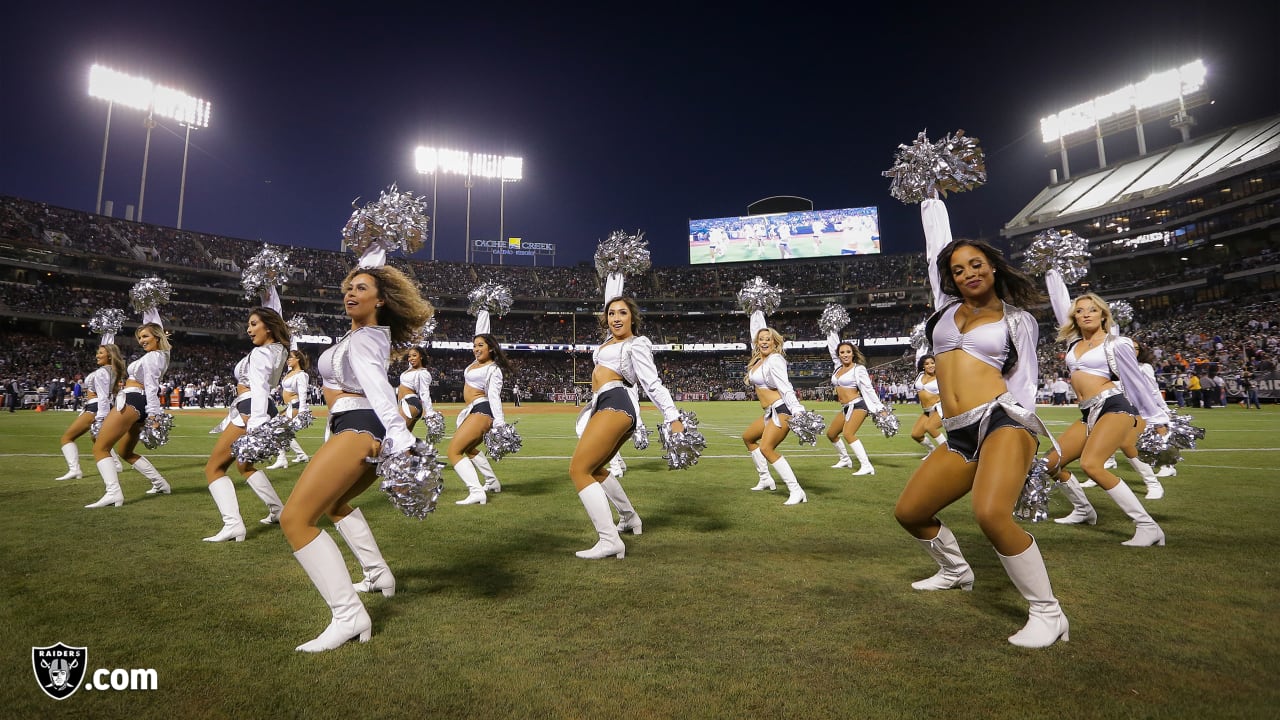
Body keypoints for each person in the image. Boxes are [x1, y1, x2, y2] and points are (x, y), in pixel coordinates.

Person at [893, 231, 1066, 648]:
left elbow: (1024, 380)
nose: (968, 272)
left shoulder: (1018, 320)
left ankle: (1048, 612)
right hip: (957, 431)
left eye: (975, 264)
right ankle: (956, 571)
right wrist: (929, 198)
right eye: (957, 269)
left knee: (990, 514)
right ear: (949, 280)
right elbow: (935, 239)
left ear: (991, 267)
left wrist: (1028, 434)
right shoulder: (941, 315)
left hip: (1002, 418)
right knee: (911, 512)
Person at [279, 263, 434, 652]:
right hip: (352, 426)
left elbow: (379, 389)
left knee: (296, 519)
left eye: (361, 288)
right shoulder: (360, 335)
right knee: (335, 505)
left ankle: (348, 616)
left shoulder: (367, 338)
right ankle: (378, 575)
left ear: (379, 300)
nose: (350, 292)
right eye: (349, 286)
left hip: (362, 428)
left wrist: (399, 435)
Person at [1040, 283, 1167, 546]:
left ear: (1103, 315)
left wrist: (1158, 420)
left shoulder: (1117, 343)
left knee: (1092, 465)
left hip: (1114, 406)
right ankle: (1084, 510)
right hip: (1088, 412)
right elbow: (1059, 299)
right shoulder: (1074, 344)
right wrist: (1052, 271)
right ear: (1074, 316)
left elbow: (1138, 382)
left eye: (1092, 310)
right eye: (1080, 311)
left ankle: (1147, 526)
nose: (1086, 314)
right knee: (1050, 464)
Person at [569, 296, 684, 559]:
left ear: (633, 317)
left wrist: (672, 416)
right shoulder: (609, 342)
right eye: (611, 314)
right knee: (595, 469)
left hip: (616, 403)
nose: (616, 318)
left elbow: (652, 384)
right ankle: (629, 518)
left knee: (578, 470)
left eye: (622, 313)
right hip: (604, 404)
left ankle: (610, 540)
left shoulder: (637, 344)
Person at [201, 307, 291, 542]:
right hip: (262, 407)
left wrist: (256, 425)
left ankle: (233, 525)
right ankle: (278, 511)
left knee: (214, 468)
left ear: (268, 326)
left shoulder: (261, 352)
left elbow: (260, 387)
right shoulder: (279, 349)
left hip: (252, 409)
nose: (249, 330)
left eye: (253, 324)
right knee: (244, 466)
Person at [86, 323, 174, 507]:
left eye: (145, 336)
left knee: (100, 447)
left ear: (157, 337)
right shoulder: (159, 356)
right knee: (125, 452)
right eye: (140, 338)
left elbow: (151, 387)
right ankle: (161, 484)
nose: (141, 341)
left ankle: (113, 493)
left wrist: (153, 416)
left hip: (133, 400)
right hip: (138, 403)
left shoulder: (152, 357)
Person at [743, 326, 809, 505]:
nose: (764, 341)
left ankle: (796, 490)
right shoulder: (758, 360)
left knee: (766, 448)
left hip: (782, 410)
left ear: (775, 342)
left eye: (768, 339)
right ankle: (765, 478)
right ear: (757, 342)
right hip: (769, 412)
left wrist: (797, 409)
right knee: (748, 438)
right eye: (761, 339)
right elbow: (756, 325)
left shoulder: (775, 359)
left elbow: (785, 386)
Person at [447, 334, 513, 504]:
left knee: (454, 451)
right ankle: (492, 482)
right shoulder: (475, 364)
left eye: (480, 345)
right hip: (472, 410)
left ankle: (476, 492)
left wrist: (499, 423)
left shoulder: (493, 369)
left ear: (490, 347)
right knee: (469, 449)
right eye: (474, 345)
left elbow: (494, 396)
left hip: (482, 410)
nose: (476, 349)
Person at [54, 343, 126, 480]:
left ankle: (74, 470)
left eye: (100, 353)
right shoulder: (112, 370)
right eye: (97, 352)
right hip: (96, 406)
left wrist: (101, 417)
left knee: (67, 438)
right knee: (97, 439)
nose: (97, 355)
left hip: (95, 406)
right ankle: (116, 465)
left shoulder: (102, 372)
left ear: (109, 356)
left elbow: (103, 396)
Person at [824, 326, 885, 475]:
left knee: (848, 433)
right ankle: (845, 459)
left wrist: (880, 408)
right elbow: (833, 346)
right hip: (846, 407)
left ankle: (866, 465)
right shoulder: (838, 368)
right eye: (842, 352)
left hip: (858, 405)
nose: (845, 355)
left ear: (853, 354)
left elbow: (869, 390)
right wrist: (831, 329)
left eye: (848, 352)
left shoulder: (859, 369)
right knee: (831, 434)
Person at [267, 349, 313, 469]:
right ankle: (301, 455)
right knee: (283, 431)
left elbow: (303, 393)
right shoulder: (289, 373)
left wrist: (302, 410)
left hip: (296, 405)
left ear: (298, 359)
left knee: (277, 429)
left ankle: (282, 459)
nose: (288, 360)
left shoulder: (302, 375)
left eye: (290, 357)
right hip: (289, 406)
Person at [909, 353, 946, 457]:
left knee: (930, 427)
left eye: (933, 363)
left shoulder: (941, 376)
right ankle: (932, 451)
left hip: (939, 408)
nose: (930, 365)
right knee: (916, 434)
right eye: (927, 364)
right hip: (927, 411)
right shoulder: (920, 375)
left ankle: (948, 453)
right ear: (923, 366)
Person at [395, 345, 434, 434]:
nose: (411, 358)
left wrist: (430, 413)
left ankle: (422, 447)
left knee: (396, 434)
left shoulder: (423, 373)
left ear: (421, 357)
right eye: (409, 356)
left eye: (414, 355)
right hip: (404, 403)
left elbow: (424, 393)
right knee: (404, 440)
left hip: (411, 403)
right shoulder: (410, 369)